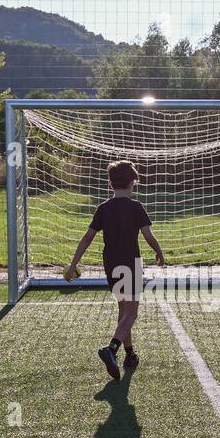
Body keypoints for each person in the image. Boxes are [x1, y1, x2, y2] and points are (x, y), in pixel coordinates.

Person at [65, 160, 166, 380]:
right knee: (132, 312)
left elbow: (88, 238)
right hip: (130, 263)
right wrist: (159, 252)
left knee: (123, 310)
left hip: (111, 263)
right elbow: (148, 235)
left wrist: (74, 264)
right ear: (133, 183)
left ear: (110, 184)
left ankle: (129, 354)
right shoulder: (136, 207)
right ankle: (111, 349)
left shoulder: (103, 209)